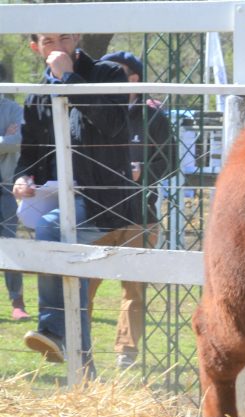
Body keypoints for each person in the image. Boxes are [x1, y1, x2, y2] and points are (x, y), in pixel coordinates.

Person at [12, 33, 136, 370]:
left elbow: (112, 125)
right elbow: (31, 157)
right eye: (49, 41)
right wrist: (22, 179)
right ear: (35, 47)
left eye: (65, 39)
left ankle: (55, 329)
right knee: (71, 269)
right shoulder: (37, 96)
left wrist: (69, 79)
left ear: (77, 39)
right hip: (56, 197)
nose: (58, 47)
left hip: (103, 199)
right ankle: (84, 368)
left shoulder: (108, 74)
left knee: (54, 232)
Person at [95, 50, 175, 368]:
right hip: (96, 215)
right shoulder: (92, 110)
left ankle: (125, 352)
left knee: (135, 289)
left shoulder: (153, 115)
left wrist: (144, 172)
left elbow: (168, 162)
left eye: (113, 72)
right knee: (82, 283)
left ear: (133, 79)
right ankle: (78, 344)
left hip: (141, 216)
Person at [0, 62, 29, 321]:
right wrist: (3, 139)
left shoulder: (12, 109)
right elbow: (7, 143)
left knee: (9, 244)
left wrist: (9, 140)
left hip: (5, 189)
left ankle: (17, 303)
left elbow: (17, 140)